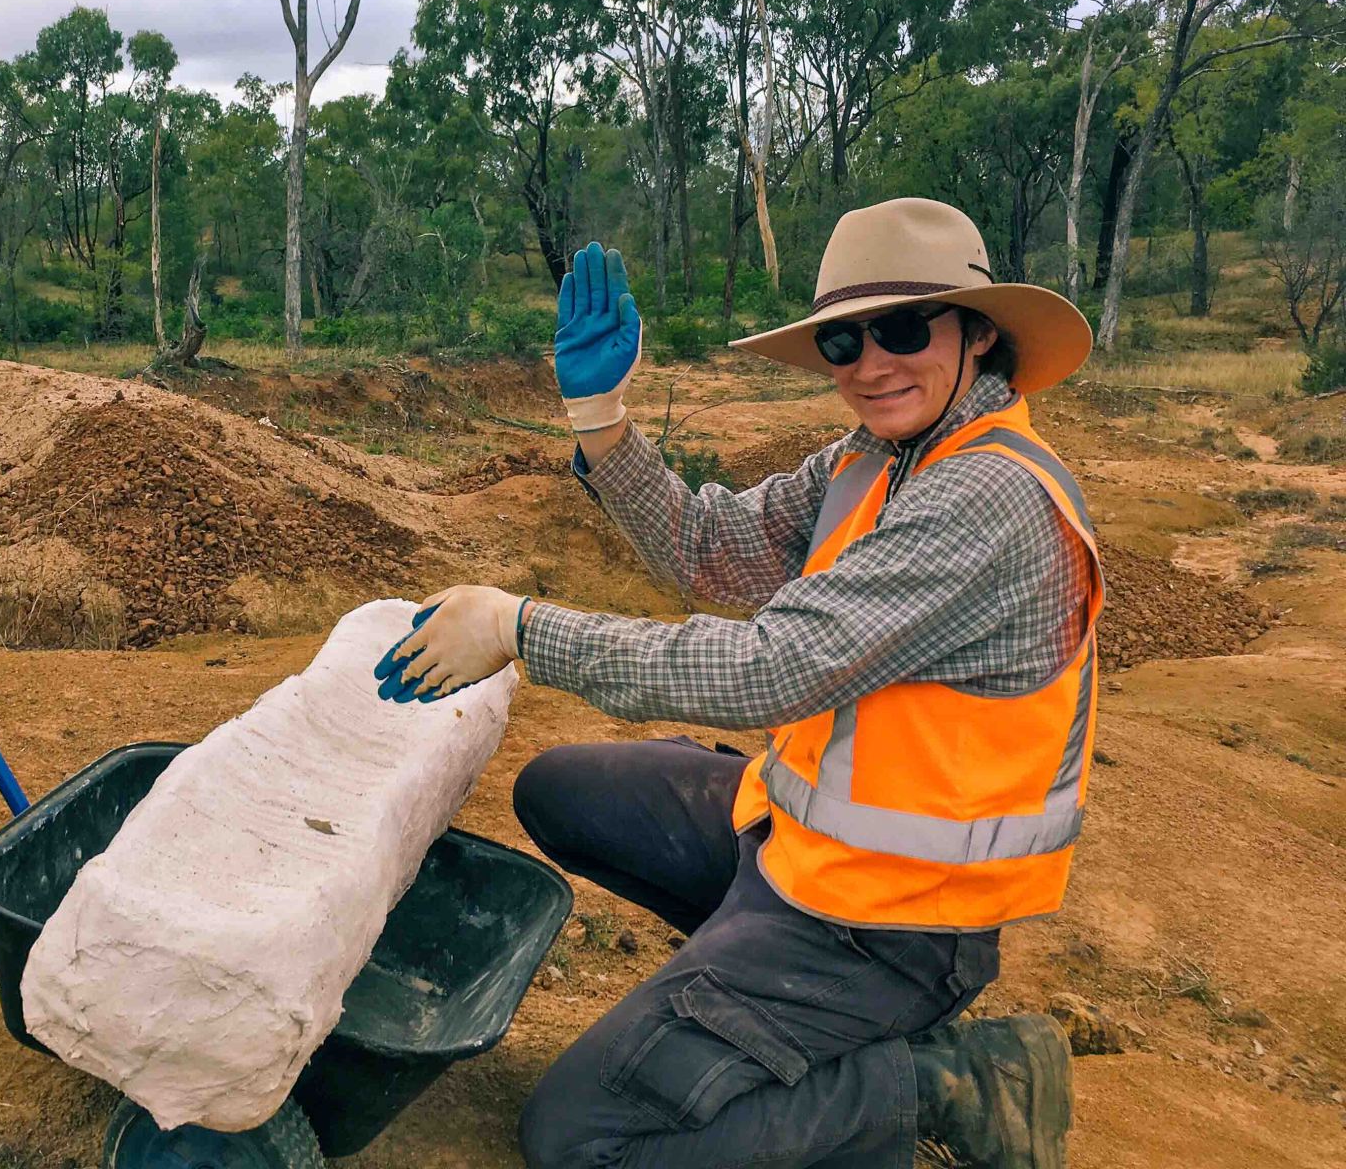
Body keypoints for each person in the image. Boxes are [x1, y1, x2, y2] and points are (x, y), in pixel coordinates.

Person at [377, 198, 1100, 1168]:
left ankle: (932, 1081)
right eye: (844, 339)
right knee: (557, 791)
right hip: (798, 843)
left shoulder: (988, 497)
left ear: (975, 332)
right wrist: (600, 420)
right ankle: (761, 1003)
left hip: (892, 923)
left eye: (898, 329)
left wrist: (519, 628)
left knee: (580, 1139)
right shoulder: (874, 458)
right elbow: (709, 552)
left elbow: (769, 667)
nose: (869, 363)